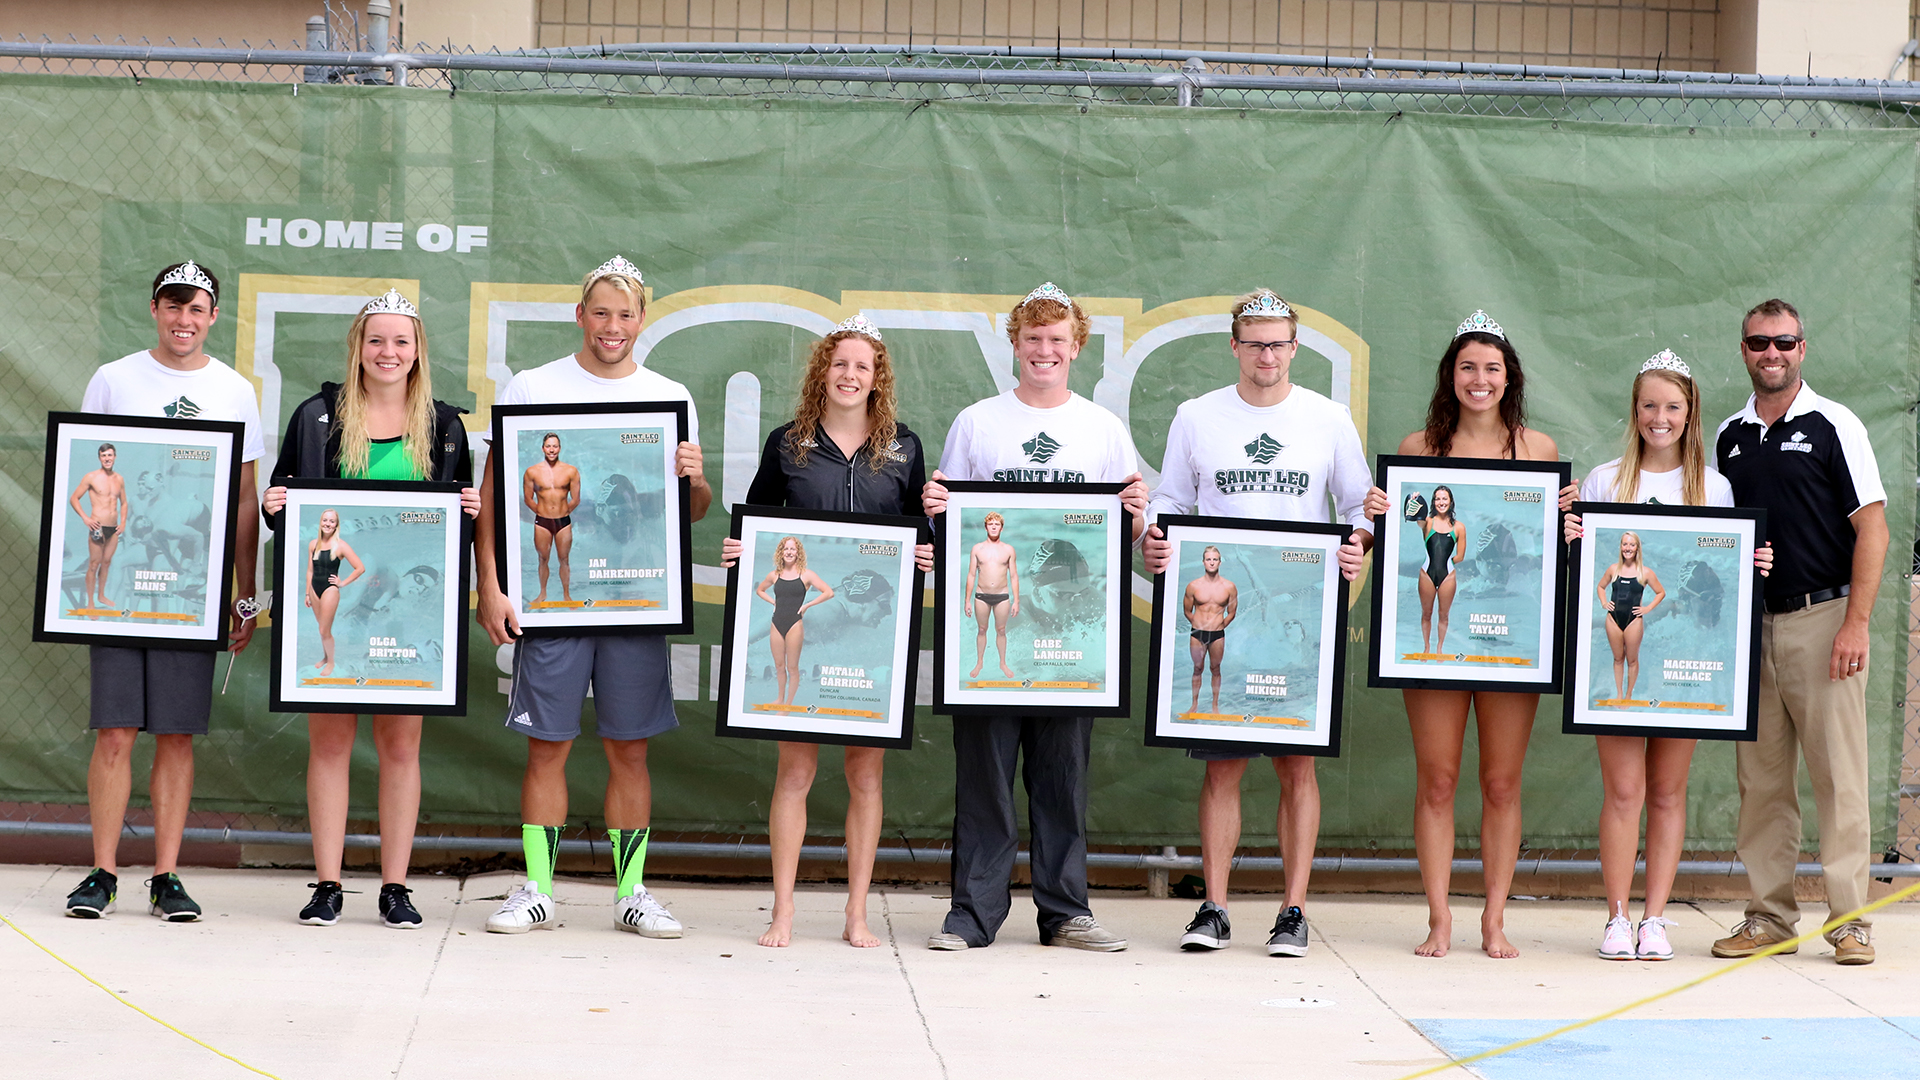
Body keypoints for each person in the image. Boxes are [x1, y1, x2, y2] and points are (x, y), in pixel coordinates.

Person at [474, 256, 711, 937]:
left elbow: (687, 512)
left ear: (642, 321)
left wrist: (694, 479)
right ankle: (539, 890)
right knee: (546, 745)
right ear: (580, 316)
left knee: (629, 748)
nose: (613, 326)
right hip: (554, 605)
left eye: (626, 314)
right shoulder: (534, 385)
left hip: (634, 599)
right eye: (601, 313)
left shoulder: (672, 394)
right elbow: (495, 497)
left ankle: (631, 892)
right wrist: (490, 586)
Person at [1143, 288, 1372, 957]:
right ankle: (1213, 908)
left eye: (1278, 343)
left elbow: (1360, 504)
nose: (1267, 354)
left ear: (1295, 348)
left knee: (1297, 766)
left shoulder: (1327, 418)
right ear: (1235, 346)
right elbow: (1169, 499)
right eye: (1255, 343)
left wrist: (1359, 540)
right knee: (1223, 768)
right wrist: (1156, 535)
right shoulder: (1196, 415)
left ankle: (1293, 912)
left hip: (1298, 614)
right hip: (1226, 608)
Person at [923, 282, 1148, 952]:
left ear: (1076, 347)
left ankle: (1065, 911)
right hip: (990, 633)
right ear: (1014, 346)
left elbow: (1128, 537)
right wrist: (937, 510)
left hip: (1071, 639)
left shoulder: (1102, 429)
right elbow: (951, 527)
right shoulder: (978, 422)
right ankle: (973, 913)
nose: (1044, 350)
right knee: (984, 774)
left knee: (1062, 774)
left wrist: (1136, 517)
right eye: (1032, 339)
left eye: (1057, 339)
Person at [263, 288, 477, 929]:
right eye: (376, 339)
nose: (388, 352)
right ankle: (328, 883)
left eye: (401, 341)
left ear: (418, 352)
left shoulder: (445, 427)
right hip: (338, 601)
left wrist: (470, 514)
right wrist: (278, 507)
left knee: (401, 745)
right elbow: (291, 513)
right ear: (358, 346)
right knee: (330, 742)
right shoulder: (316, 417)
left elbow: (452, 531)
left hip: (409, 615)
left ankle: (395, 886)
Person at [724, 313, 932, 949]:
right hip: (803, 626)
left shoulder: (905, 447)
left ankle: (856, 913)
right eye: (839, 363)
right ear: (823, 371)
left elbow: (920, 532)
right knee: (794, 774)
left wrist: (926, 551)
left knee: (865, 777)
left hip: (872, 636)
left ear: (878, 380)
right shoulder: (787, 443)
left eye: (862, 367)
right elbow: (759, 524)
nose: (849, 375)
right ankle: (783, 911)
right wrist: (743, 551)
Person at [64, 261, 263, 922]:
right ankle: (102, 871)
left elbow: (242, 499)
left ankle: (168, 875)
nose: (184, 319)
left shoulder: (234, 391)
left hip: (192, 589)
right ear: (154, 308)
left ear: (214, 316)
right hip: (120, 583)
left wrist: (247, 593)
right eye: (173, 306)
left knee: (176, 733)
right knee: (116, 731)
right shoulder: (114, 379)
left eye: (197, 308)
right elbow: (83, 463)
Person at [1360, 309, 1557, 959]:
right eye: (1467, 367)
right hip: (1436, 644)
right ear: (1450, 376)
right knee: (1437, 779)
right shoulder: (1418, 451)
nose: (1480, 379)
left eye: (1491, 368)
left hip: (1510, 641)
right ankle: (1439, 917)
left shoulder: (1538, 451)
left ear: (1510, 378)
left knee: (1502, 782)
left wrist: (1570, 521)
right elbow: (1399, 538)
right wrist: (1377, 512)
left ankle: (1494, 920)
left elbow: (1539, 548)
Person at [1710, 299, 1887, 966]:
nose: (1771, 353)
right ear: (1745, 350)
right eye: (1759, 342)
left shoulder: (1835, 423)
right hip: (1750, 627)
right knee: (1760, 779)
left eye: (1783, 341)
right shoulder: (1729, 435)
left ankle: (1851, 921)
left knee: (1839, 776)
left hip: (1824, 620)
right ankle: (1769, 917)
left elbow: (1872, 528)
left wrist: (1856, 624)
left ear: (1802, 348)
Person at [1564, 349, 1754, 960]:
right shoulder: (1603, 480)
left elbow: (1719, 577)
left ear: (1690, 412)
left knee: (1669, 792)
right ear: (1635, 409)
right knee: (1623, 791)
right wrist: (1572, 539)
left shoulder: (1714, 486)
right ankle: (1617, 917)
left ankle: (1655, 919)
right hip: (1612, 648)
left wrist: (1751, 561)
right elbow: (1585, 571)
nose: (1660, 417)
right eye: (1649, 405)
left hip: (1683, 660)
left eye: (1672, 406)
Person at [754, 537, 835, 707]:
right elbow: (760, 590)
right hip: (776, 623)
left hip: (794, 624)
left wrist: (807, 605)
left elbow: (828, 592)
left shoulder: (806, 574)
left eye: (792, 549)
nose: (789, 552)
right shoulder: (774, 575)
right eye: (785, 549)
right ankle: (780, 699)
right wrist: (773, 602)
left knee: (792, 667)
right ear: (780, 552)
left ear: (798, 552)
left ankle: (788, 706)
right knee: (779, 665)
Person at [1596, 533, 1664, 704]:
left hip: (1634, 620)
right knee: (1618, 658)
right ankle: (1619, 694)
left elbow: (1661, 592)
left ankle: (1628, 695)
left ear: (1637, 548)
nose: (1628, 548)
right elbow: (1600, 586)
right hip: (1613, 619)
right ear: (1620, 546)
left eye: (1632, 545)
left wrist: (1647, 608)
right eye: (1625, 544)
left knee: (1632, 660)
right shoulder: (1613, 569)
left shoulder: (1645, 572)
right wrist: (1604, 603)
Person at [305, 509, 365, 677]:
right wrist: (307, 594)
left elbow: (360, 568)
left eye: (331, 521)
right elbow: (310, 571)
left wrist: (342, 583)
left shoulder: (341, 546)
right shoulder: (313, 544)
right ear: (320, 522)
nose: (327, 524)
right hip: (314, 589)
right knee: (321, 629)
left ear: (336, 525)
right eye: (325, 520)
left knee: (325, 630)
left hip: (330, 590)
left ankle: (331, 663)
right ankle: (325, 657)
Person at [69, 443, 128, 609]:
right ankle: (90, 603)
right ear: (99, 458)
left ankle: (101, 595)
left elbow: (123, 503)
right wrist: (86, 519)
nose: (107, 458)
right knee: (94, 564)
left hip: (114, 528)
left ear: (114, 457)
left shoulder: (119, 479)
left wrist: (123, 522)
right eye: (104, 456)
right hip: (98, 527)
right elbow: (74, 498)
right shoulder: (91, 477)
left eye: (110, 455)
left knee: (107, 562)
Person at [523, 433, 579, 603]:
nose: (552, 449)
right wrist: (541, 512)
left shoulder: (571, 471)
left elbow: (576, 499)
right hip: (542, 522)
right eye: (548, 446)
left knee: (564, 559)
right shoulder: (532, 472)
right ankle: (543, 593)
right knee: (542, 559)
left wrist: (562, 512)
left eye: (555, 446)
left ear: (559, 448)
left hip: (563, 522)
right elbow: (528, 499)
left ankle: (566, 595)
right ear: (543, 448)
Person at [965, 512, 1019, 680]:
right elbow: (971, 575)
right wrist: (967, 600)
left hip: (1002, 596)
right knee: (982, 630)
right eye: (991, 524)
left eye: (997, 524)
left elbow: (1014, 576)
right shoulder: (977, 548)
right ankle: (980, 662)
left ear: (1001, 527)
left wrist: (1016, 600)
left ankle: (1002, 663)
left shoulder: (1008, 549)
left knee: (1001, 630)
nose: (994, 527)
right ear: (986, 527)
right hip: (981, 595)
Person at [1184, 546, 1235, 716]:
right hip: (1197, 633)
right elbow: (1187, 611)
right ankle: (1194, 704)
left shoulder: (1229, 587)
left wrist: (1219, 626)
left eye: (1215, 559)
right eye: (1208, 559)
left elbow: (1232, 612)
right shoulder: (1193, 586)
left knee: (1216, 668)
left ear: (1220, 562)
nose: (1212, 562)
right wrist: (1199, 624)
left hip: (1217, 635)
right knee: (1197, 668)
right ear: (1203, 562)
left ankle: (1215, 705)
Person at [1416, 486, 1466, 655]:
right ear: (1433, 502)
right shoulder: (1428, 522)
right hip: (1426, 574)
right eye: (1437, 499)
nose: (1441, 502)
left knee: (1443, 615)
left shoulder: (1459, 527)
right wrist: (1416, 500)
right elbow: (1417, 518)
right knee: (1427, 613)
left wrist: (1447, 563)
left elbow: (1460, 556)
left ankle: (1439, 648)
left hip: (1448, 576)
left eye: (1444, 498)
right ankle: (1426, 647)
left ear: (1451, 501)